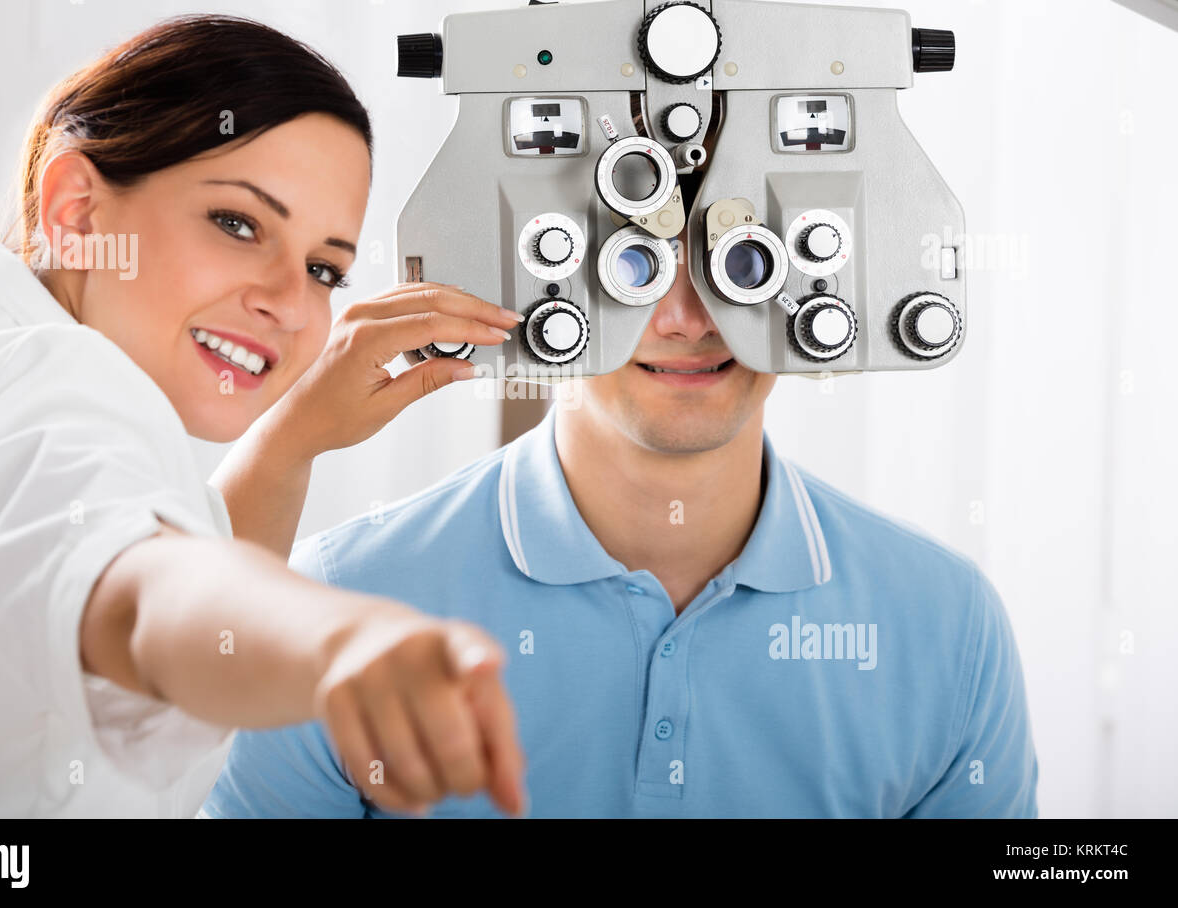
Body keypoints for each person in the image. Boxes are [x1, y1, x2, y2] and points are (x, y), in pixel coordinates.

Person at [0, 14, 527, 818]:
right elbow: (146, 599)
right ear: (76, 212)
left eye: (325, 269)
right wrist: (338, 643)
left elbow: (138, 564)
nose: (292, 305)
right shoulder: (54, 387)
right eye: (238, 223)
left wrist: (293, 441)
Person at [203, 221, 1040, 818]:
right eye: (633, 264)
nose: (688, 319)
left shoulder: (945, 622)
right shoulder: (337, 600)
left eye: (741, 262)